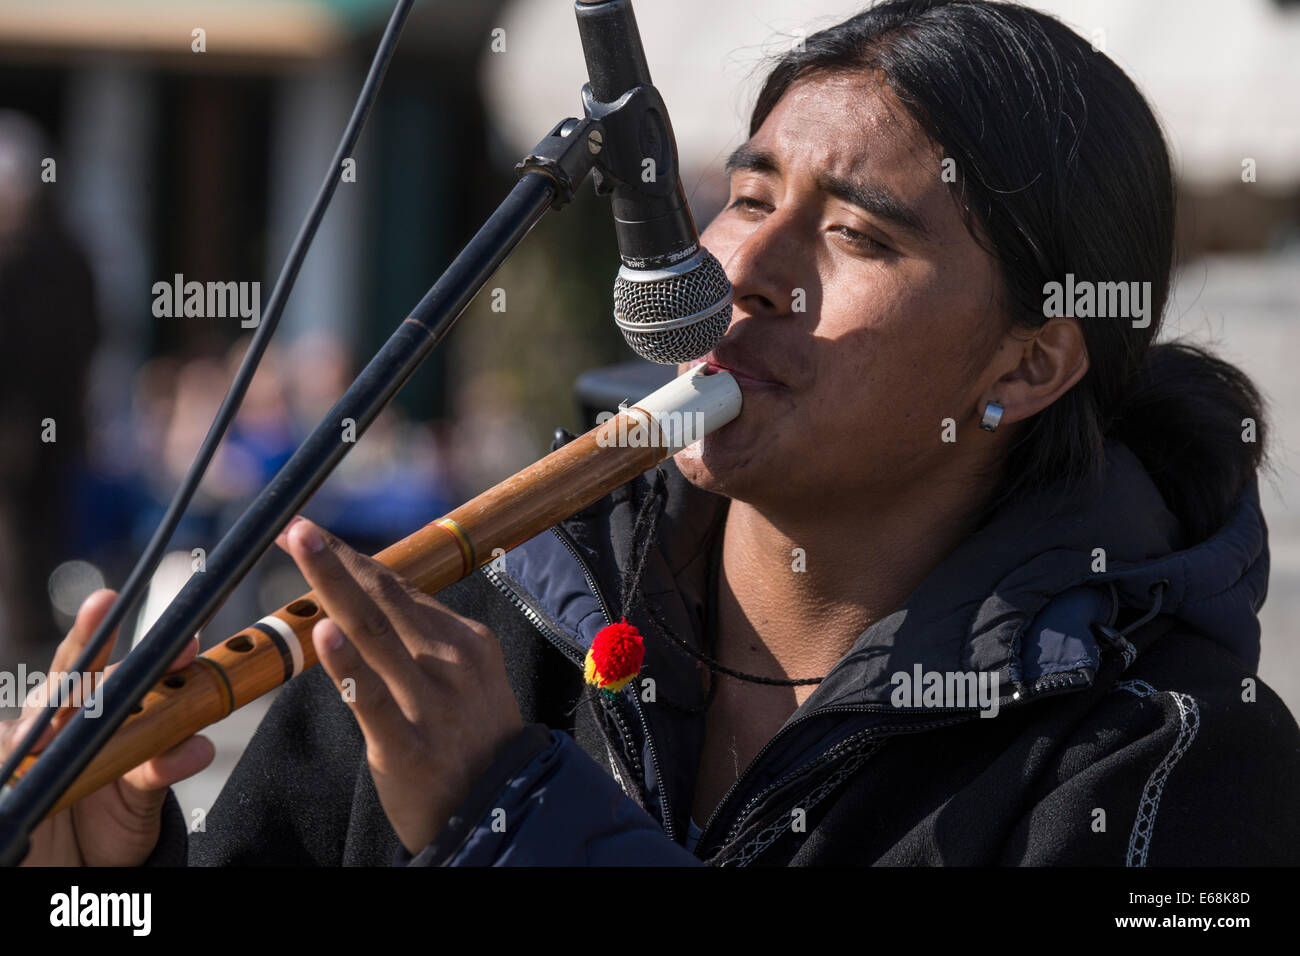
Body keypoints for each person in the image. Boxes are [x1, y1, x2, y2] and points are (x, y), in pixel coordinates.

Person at [7, 0, 1300, 866]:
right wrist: (101, 884)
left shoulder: (1172, 758)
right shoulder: (476, 640)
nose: (748, 266)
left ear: (1027, 363)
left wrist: (516, 819)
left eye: (857, 234)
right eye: (745, 197)